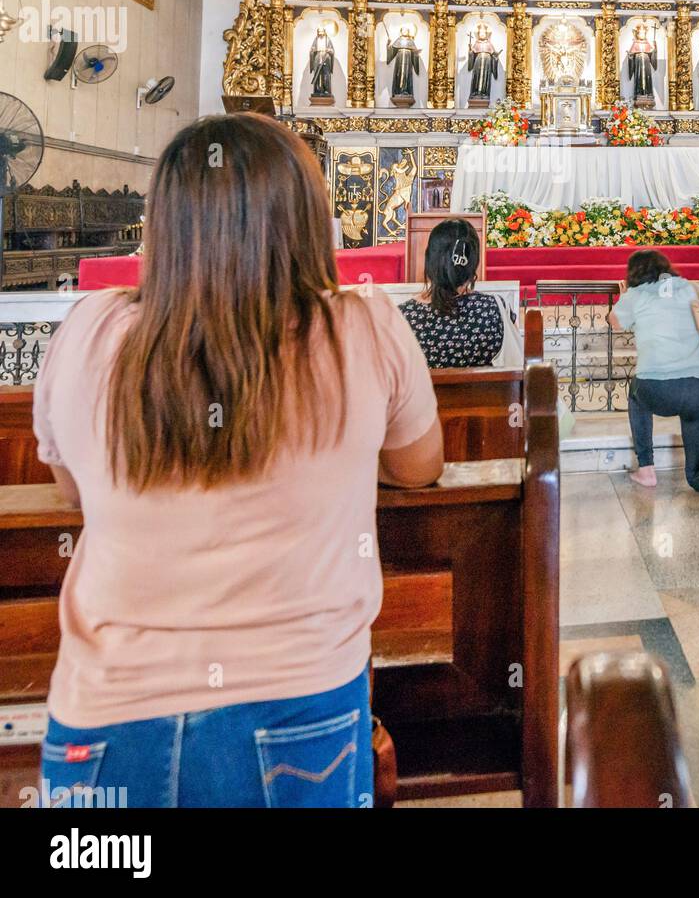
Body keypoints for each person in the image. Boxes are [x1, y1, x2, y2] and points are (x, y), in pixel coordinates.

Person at [33, 114, 443, 808]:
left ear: (164, 221)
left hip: (105, 717)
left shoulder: (88, 331)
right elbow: (419, 467)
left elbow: (71, 485)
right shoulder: (364, 327)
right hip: (300, 705)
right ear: (306, 217)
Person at [609, 250, 699, 516]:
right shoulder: (692, 288)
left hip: (659, 387)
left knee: (636, 392)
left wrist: (624, 296)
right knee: (697, 471)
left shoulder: (637, 294)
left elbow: (615, 322)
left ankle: (646, 469)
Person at [401, 218, 505, 368]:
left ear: (430, 260)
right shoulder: (495, 308)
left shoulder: (404, 317)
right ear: (473, 263)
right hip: (482, 392)